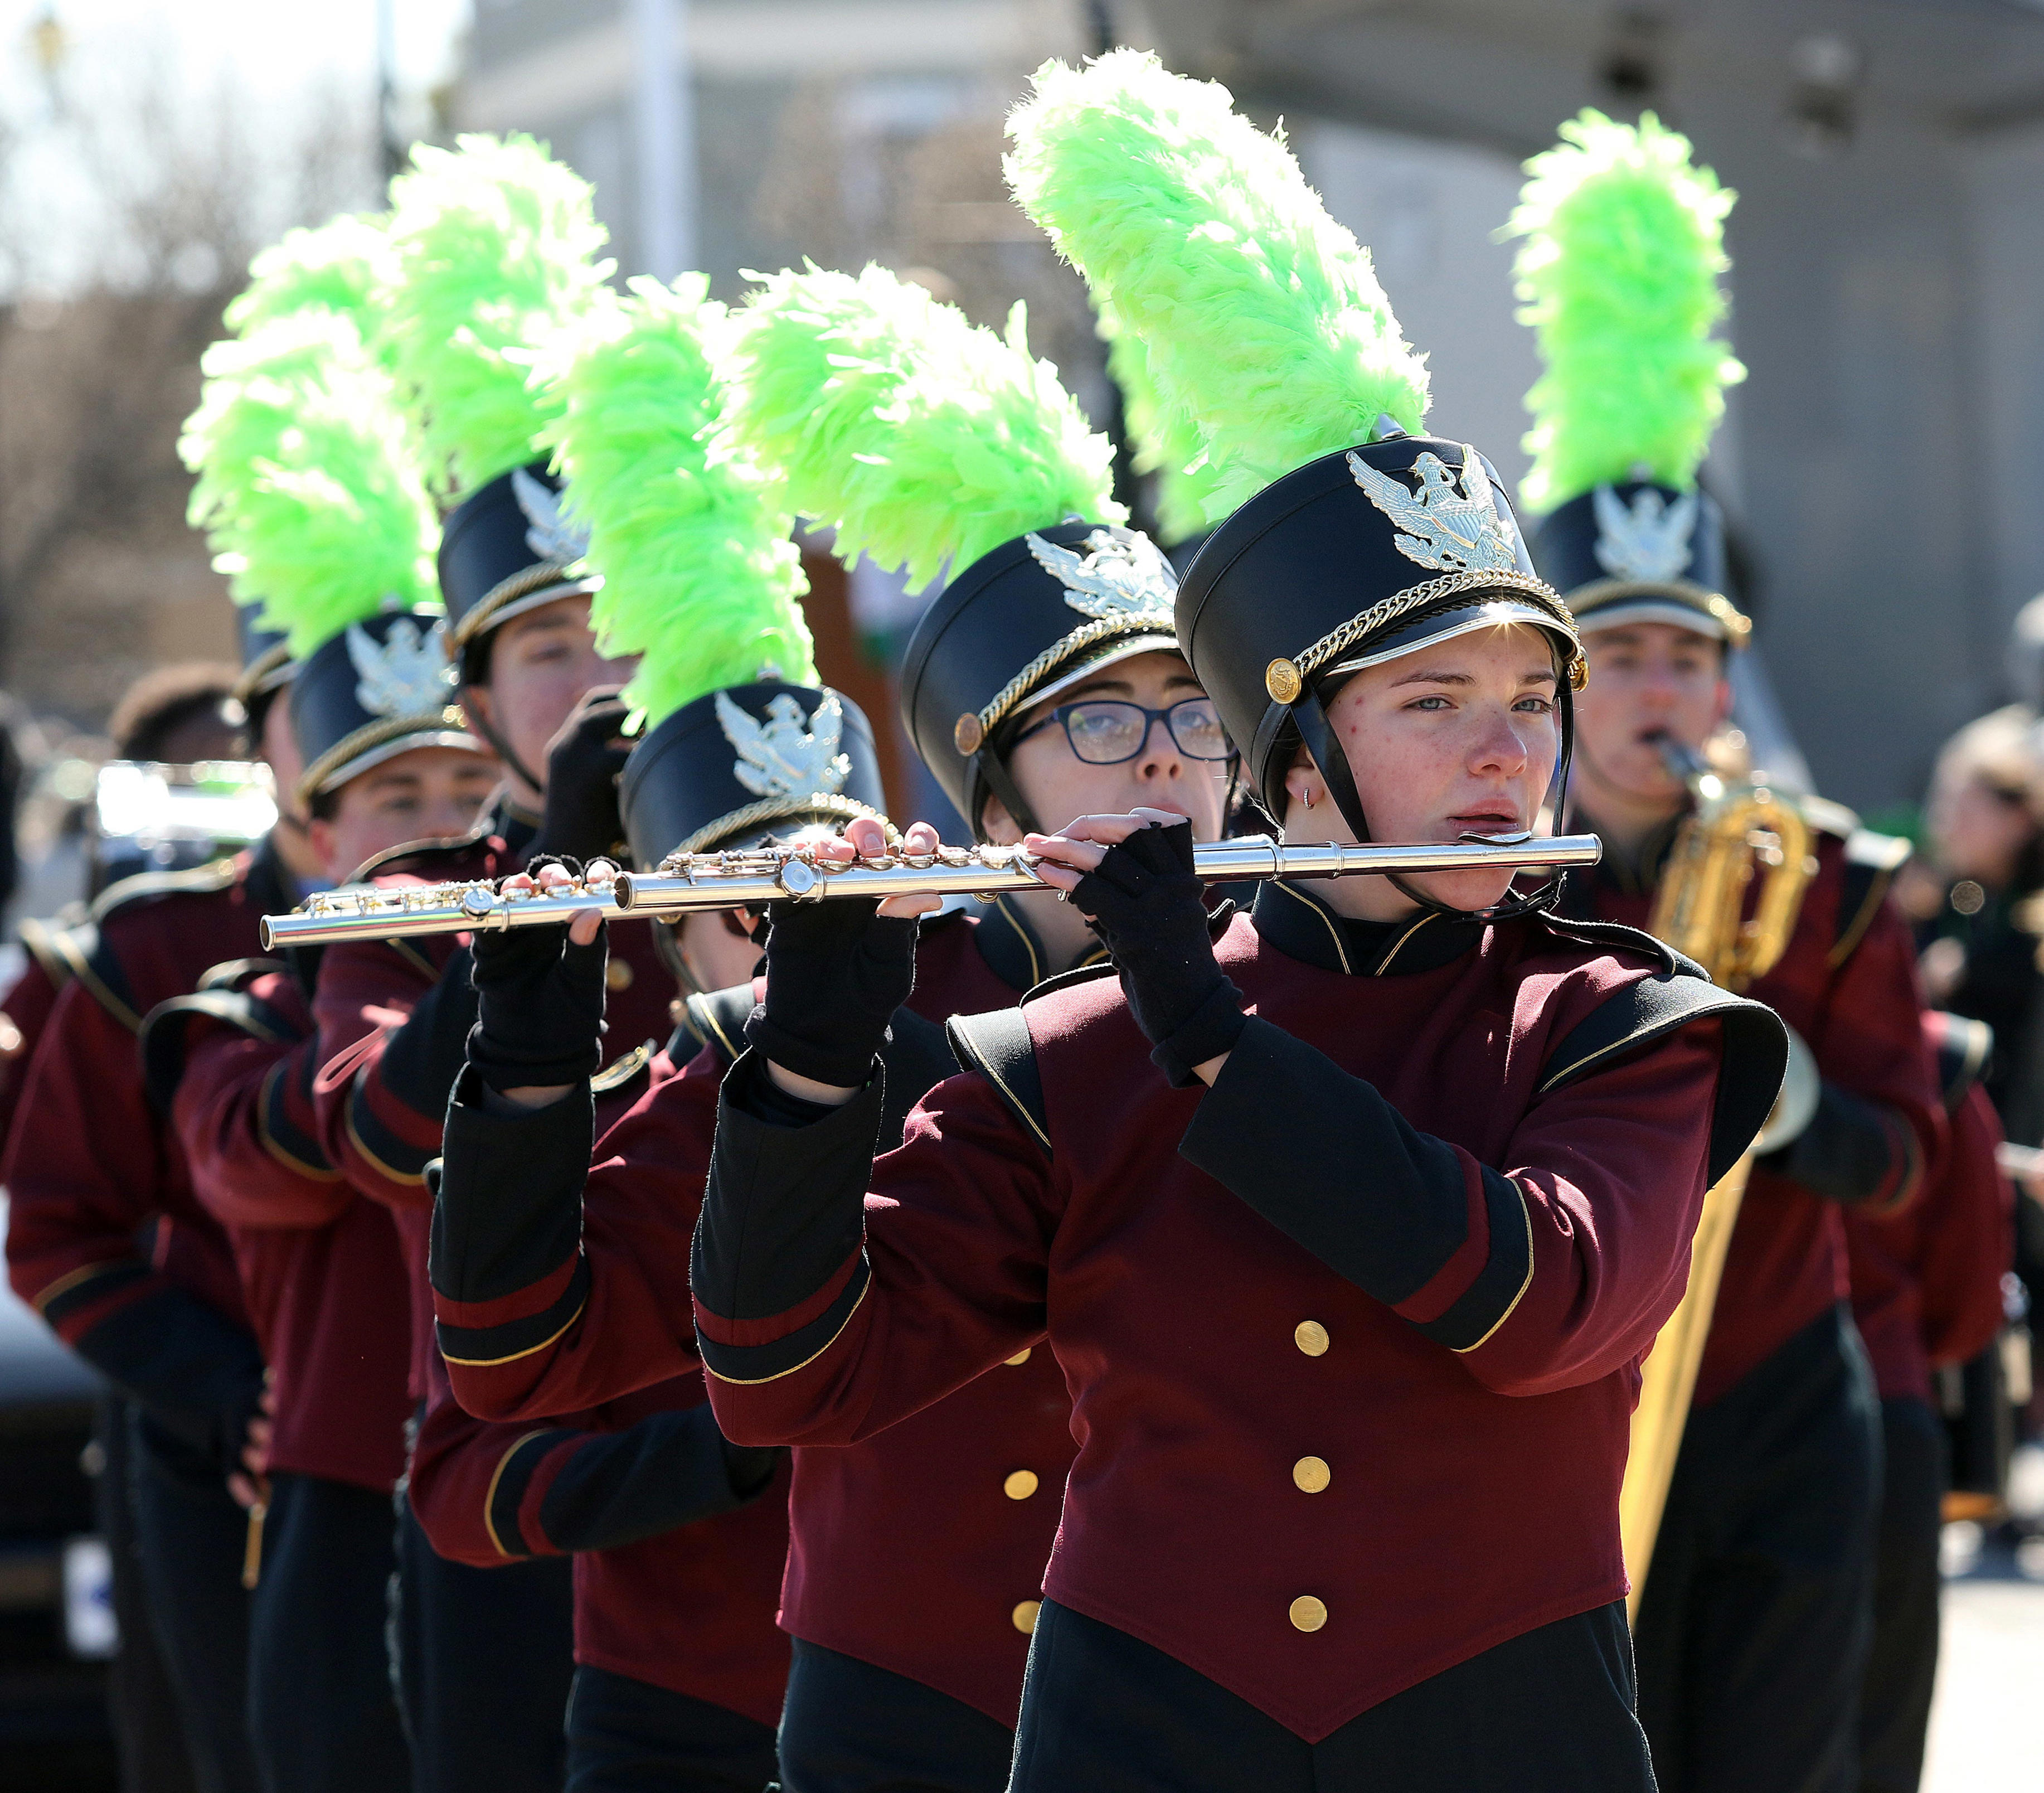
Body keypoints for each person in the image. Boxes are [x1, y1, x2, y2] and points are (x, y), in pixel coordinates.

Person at [669, 54, 1786, 1792]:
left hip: (1505, 1742)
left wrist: (1210, 1040)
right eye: (1431, 700)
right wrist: (809, 1064)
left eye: (1527, 694)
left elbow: (1532, 1302)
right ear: (1296, 752)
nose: (1506, 745)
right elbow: (790, 1380)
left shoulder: (1623, 1029)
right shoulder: (1066, 1060)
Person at [431, 262, 1231, 1792]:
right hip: (908, 1719)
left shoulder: (1316, 990)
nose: (1168, 765)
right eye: (1104, 721)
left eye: (1196, 715)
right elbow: (519, 1356)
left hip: (1213, 1712)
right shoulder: (851, 1006)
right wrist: (527, 1061)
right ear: (988, 783)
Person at [1507, 108, 1944, 1793]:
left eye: (1687, 658)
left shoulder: (1819, 880)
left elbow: (1900, 1165)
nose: (1658, 695)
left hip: (1773, 1397)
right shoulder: (1500, 887)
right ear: (1550, 679)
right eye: (1612, 653)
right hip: (1564, 1410)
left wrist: (1779, 1097)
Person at [305, 135, 669, 1793]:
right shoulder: (410, 894)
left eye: (613, 629)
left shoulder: (750, 882)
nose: (588, 674)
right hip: (513, 1494)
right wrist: (540, 898)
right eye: (544, 647)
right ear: (472, 701)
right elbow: (380, 1136)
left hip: (750, 1486)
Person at [142, 254, 501, 1793]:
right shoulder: (239, 1006)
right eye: (387, 801)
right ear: (310, 807)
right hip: (340, 1481)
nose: (426, 822)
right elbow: (288, 1160)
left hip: (529, 1474)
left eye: (460, 794)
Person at [2, 648, 327, 1793]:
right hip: (193, 1417)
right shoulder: (136, 941)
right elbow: (52, 1205)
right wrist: (219, 1384)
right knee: (198, 1737)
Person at [1843, 1010, 2013, 1793]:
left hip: (1675, 1427)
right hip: (1882, 1402)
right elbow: (1971, 1293)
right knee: (1877, 1726)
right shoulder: (1934, 1063)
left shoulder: (1654, 1033)